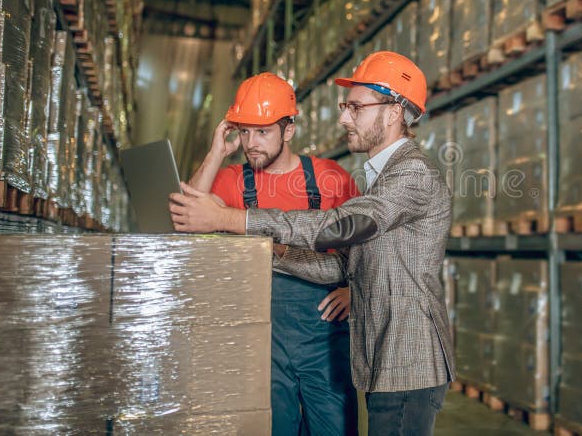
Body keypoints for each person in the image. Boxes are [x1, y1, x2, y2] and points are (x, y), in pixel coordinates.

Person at [171, 51, 455, 436]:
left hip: (407, 361)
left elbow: (341, 226)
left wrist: (228, 219)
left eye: (355, 107)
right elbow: (341, 266)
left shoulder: (412, 175)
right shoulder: (384, 177)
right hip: (383, 359)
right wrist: (269, 251)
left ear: (392, 113)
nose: (343, 118)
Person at [186, 72, 359, 436]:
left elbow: (366, 247)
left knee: (335, 428)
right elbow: (187, 220)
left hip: (324, 337)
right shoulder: (233, 179)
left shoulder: (331, 178)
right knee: (272, 427)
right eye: (244, 131)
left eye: (262, 132)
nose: (251, 143)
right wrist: (217, 151)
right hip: (261, 337)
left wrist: (353, 292)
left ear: (289, 130)